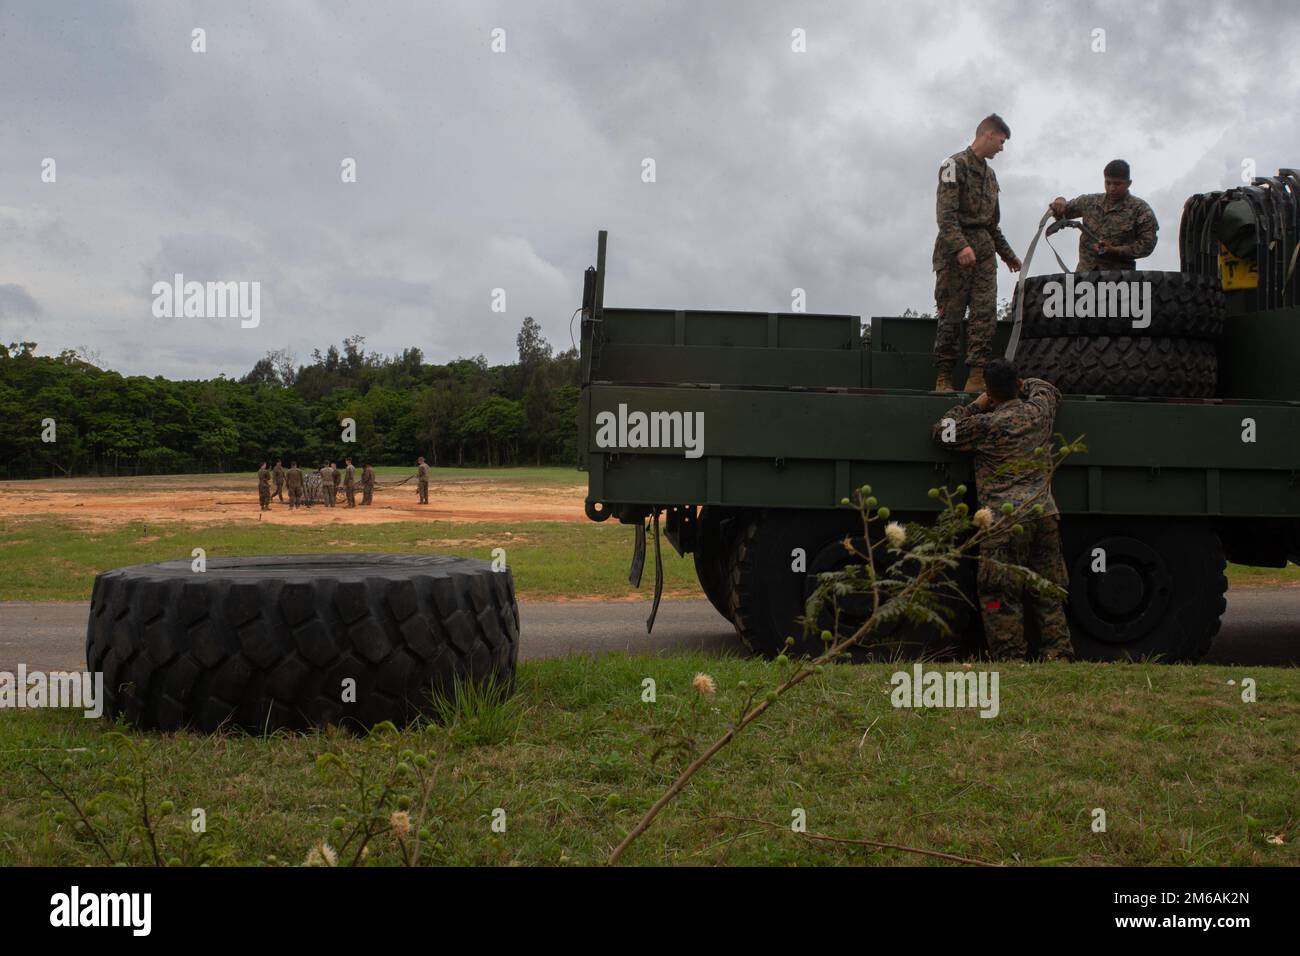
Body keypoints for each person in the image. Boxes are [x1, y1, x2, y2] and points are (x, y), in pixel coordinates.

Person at [931, 358, 1074, 661]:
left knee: (998, 593)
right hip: (1044, 514)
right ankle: (1059, 654)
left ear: (990, 392)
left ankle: (1011, 659)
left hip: (1004, 520)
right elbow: (1047, 389)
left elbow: (941, 432)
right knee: (1048, 590)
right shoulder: (1039, 413)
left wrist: (976, 405)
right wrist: (1026, 385)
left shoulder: (986, 424)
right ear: (1019, 385)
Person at [932, 113, 1023, 395]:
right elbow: (945, 215)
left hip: (984, 254)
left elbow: (992, 224)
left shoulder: (990, 176)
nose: (1002, 148)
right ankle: (944, 376)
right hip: (954, 253)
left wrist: (1008, 255)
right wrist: (960, 246)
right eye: (1001, 141)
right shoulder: (952, 165)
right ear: (988, 135)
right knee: (952, 314)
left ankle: (976, 375)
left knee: (985, 315)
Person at [1049, 159, 1158, 273]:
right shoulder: (1090, 202)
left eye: (1117, 184)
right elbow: (1062, 210)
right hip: (1085, 277)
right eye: (1108, 182)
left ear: (1128, 183)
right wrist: (1059, 201)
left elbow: (1147, 246)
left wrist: (1115, 251)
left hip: (1120, 281)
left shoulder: (1141, 210)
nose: (1112, 188)